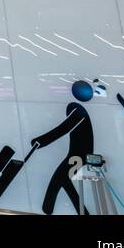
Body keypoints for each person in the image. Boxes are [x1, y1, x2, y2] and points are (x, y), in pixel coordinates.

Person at [31, 79, 103, 215]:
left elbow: (62, 130)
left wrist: (41, 141)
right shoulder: (77, 110)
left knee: (59, 179)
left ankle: (48, 208)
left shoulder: (77, 112)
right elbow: (64, 129)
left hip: (79, 155)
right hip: (76, 153)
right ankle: (51, 208)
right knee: (62, 179)